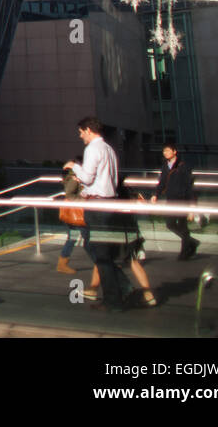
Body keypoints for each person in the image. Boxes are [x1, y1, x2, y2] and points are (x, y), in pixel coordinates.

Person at [63, 116, 132, 312]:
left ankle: (114, 299)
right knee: (101, 251)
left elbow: (87, 176)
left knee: (99, 253)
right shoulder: (109, 149)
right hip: (108, 202)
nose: (80, 135)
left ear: (88, 130)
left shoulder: (92, 149)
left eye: (81, 132)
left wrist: (73, 166)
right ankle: (119, 290)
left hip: (98, 206)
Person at [147, 141, 198, 260]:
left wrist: (192, 207)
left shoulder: (183, 166)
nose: (165, 153)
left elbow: (189, 187)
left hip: (182, 200)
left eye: (168, 150)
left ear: (175, 152)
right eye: (164, 151)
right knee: (170, 224)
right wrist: (156, 194)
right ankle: (191, 242)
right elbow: (162, 182)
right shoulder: (165, 165)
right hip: (171, 199)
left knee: (182, 225)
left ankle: (184, 253)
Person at [56, 159, 87, 274]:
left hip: (75, 212)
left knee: (73, 237)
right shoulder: (74, 178)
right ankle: (101, 263)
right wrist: (82, 201)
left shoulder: (75, 177)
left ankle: (62, 263)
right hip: (77, 212)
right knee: (88, 237)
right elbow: (69, 194)